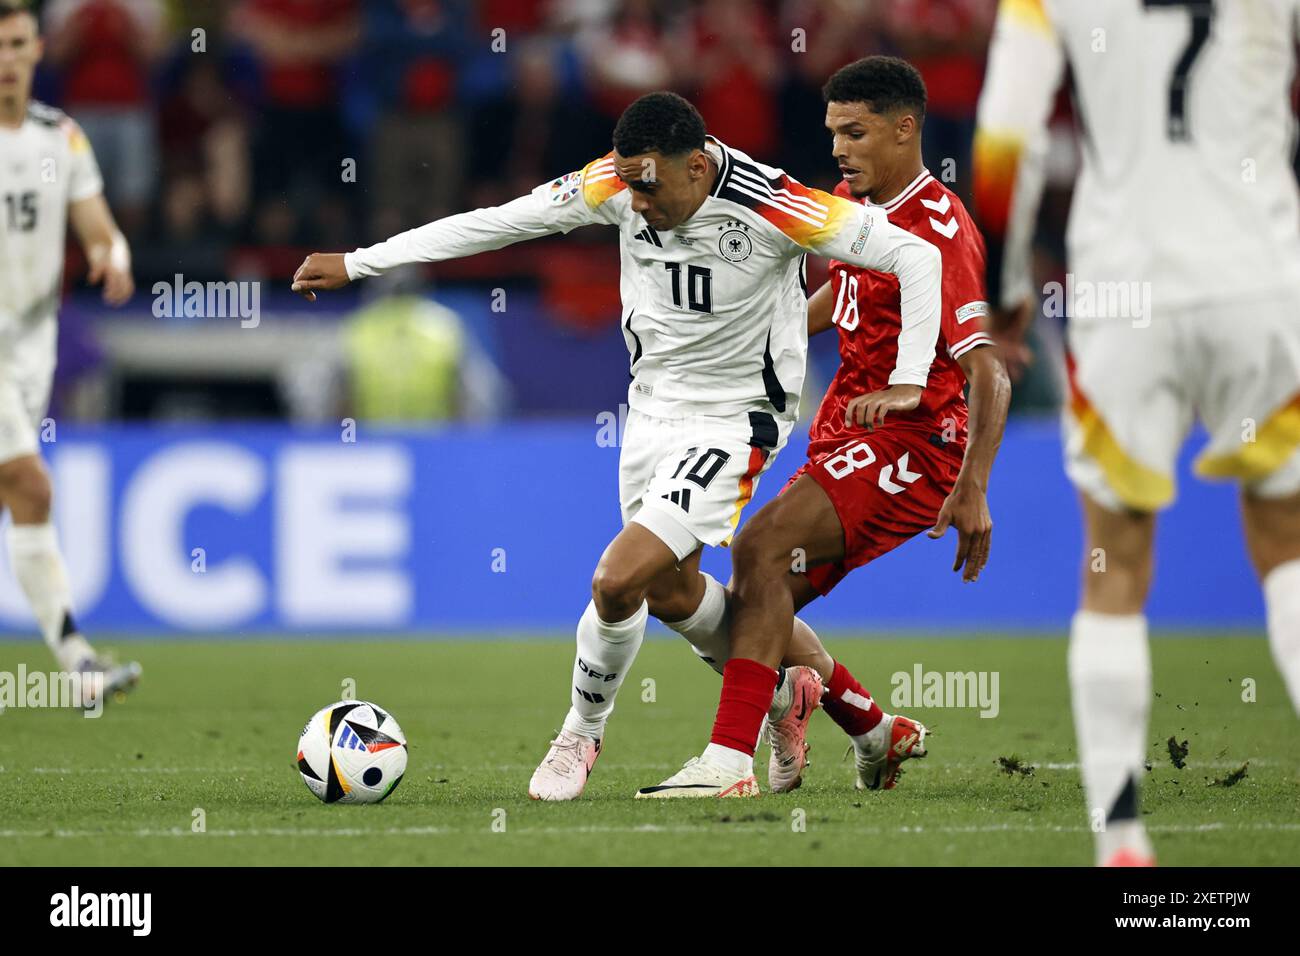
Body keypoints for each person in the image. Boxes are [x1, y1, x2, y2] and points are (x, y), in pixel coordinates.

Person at [291, 90, 943, 801]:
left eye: (648, 185)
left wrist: (910, 379)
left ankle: (581, 732)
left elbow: (914, 257)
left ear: (697, 167)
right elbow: (502, 223)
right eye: (626, 182)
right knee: (669, 590)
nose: (633, 202)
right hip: (651, 414)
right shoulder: (617, 179)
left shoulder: (780, 205)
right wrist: (362, 263)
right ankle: (839, 713)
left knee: (616, 578)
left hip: (736, 418)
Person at [973, 0, 1300, 866]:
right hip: (1263, 278)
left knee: (1113, 561)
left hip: (1125, 289)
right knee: (1290, 546)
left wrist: (1004, 283)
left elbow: (1007, 136)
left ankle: (1120, 835)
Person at [640, 56, 1010, 798]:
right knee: (759, 598)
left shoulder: (941, 231)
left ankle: (727, 763)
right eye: (833, 132)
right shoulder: (849, 202)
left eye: (856, 132)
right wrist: (754, 351)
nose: (838, 148)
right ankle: (876, 729)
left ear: (906, 130)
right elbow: (835, 301)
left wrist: (974, 488)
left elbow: (988, 371)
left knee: (759, 548)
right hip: (843, 434)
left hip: (915, 443)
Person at [0, 0, 140, 703]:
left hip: (32, 345)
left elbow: (98, 227)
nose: (5, 61)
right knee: (31, 484)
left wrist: (111, 256)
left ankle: (74, 664)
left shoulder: (62, 138)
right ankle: (77, 663)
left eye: (16, 45)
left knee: (18, 492)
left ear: (38, 49)